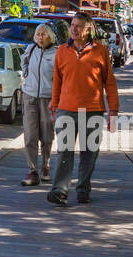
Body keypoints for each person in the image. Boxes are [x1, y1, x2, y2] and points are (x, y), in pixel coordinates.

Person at [48, 11, 119, 205]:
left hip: (93, 109)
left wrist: (113, 111)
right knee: (64, 151)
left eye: (78, 26)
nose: (74, 29)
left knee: (89, 153)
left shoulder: (100, 51)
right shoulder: (62, 51)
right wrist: (54, 107)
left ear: (88, 30)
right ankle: (60, 190)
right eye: (72, 25)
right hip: (66, 109)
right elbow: (57, 83)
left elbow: (110, 83)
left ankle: (83, 189)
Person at [19, 22, 57, 186]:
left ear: (51, 36)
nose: (40, 37)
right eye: (38, 34)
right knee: (30, 136)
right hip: (30, 96)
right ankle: (32, 171)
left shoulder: (57, 53)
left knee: (47, 135)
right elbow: (24, 63)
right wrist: (26, 76)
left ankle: (46, 165)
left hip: (48, 98)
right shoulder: (31, 49)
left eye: (44, 34)